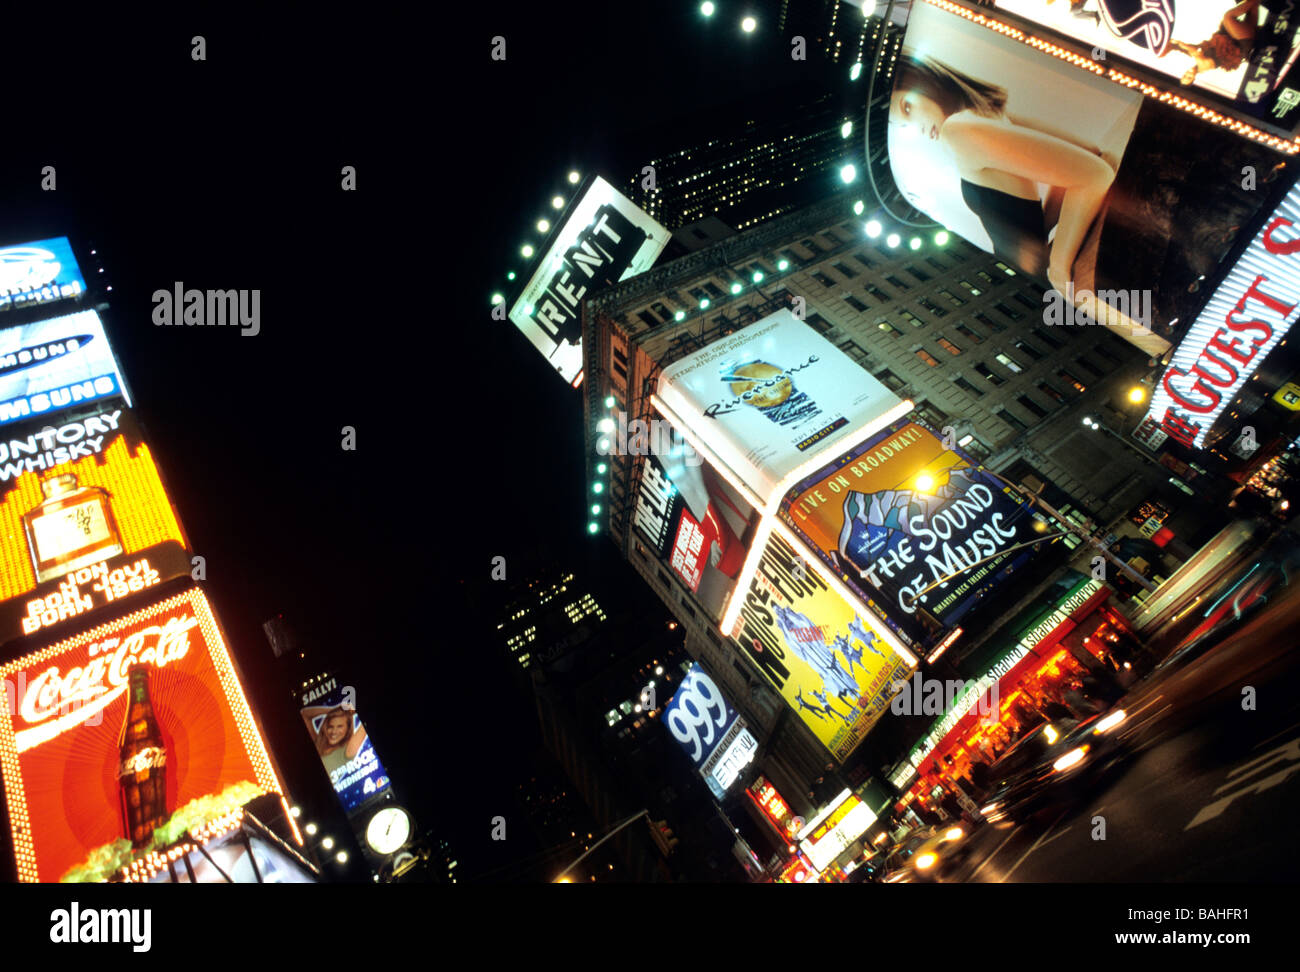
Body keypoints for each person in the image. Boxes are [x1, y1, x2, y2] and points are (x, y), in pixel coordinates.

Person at [889, 52, 1117, 295]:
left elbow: (1095, 173)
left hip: (1027, 285)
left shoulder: (957, 131)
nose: (919, 128)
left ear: (926, 82)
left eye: (908, 107)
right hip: (1026, 278)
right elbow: (1090, 154)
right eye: (905, 124)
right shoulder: (985, 116)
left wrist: (1058, 269)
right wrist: (1048, 238)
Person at [1167, 1, 1261, 85]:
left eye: (1185, 75)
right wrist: (1180, 43)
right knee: (1228, 17)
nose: (1188, 74)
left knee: (1253, 6)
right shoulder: (1203, 66)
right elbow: (1195, 52)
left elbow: (1194, 48)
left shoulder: (1198, 62)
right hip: (1241, 43)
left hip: (1237, 37)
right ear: (1194, 78)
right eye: (1189, 77)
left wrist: (1173, 46)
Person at [302, 704, 368, 774]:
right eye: (330, 726)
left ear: (348, 729)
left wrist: (350, 711)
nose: (334, 732)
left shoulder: (349, 750)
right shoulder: (318, 743)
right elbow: (305, 714)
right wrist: (333, 710)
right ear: (325, 727)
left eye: (340, 726)